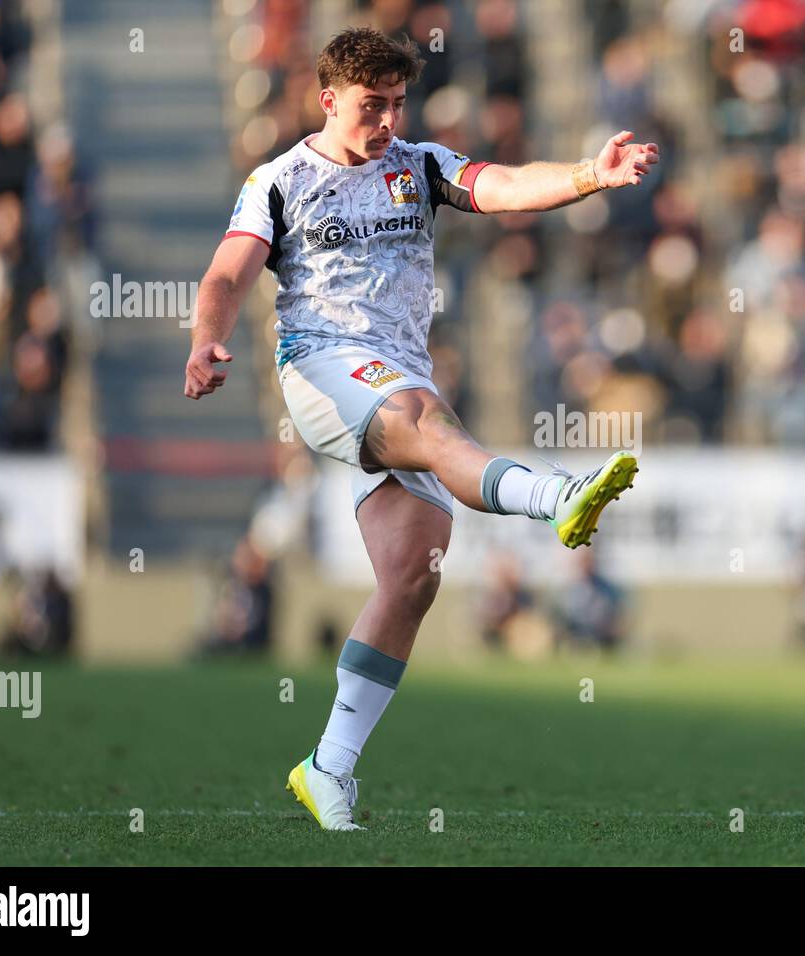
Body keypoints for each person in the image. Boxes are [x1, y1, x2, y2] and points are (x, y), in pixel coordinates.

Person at [183, 28, 658, 831]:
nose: (388, 121)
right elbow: (229, 270)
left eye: (398, 103)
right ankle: (557, 497)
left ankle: (326, 767)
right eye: (373, 106)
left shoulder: (420, 164)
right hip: (324, 369)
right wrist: (205, 337)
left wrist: (587, 175)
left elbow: (502, 184)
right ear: (328, 99)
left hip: (399, 372)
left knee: (413, 575)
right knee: (426, 418)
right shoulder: (280, 181)